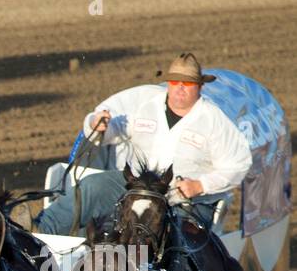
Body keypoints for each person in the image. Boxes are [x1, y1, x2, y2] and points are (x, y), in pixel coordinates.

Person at [35, 52, 252, 236]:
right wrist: (97, 124)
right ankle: (40, 231)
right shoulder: (145, 104)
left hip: (180, 197)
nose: (180, 89)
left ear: (199, 87)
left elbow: (239, 164)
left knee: (177, 236)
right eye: (175, 83)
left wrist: (200, 185)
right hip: (136, 184)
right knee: (92, 186)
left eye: (187, 84)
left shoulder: (214, 120)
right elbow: (112, 128)